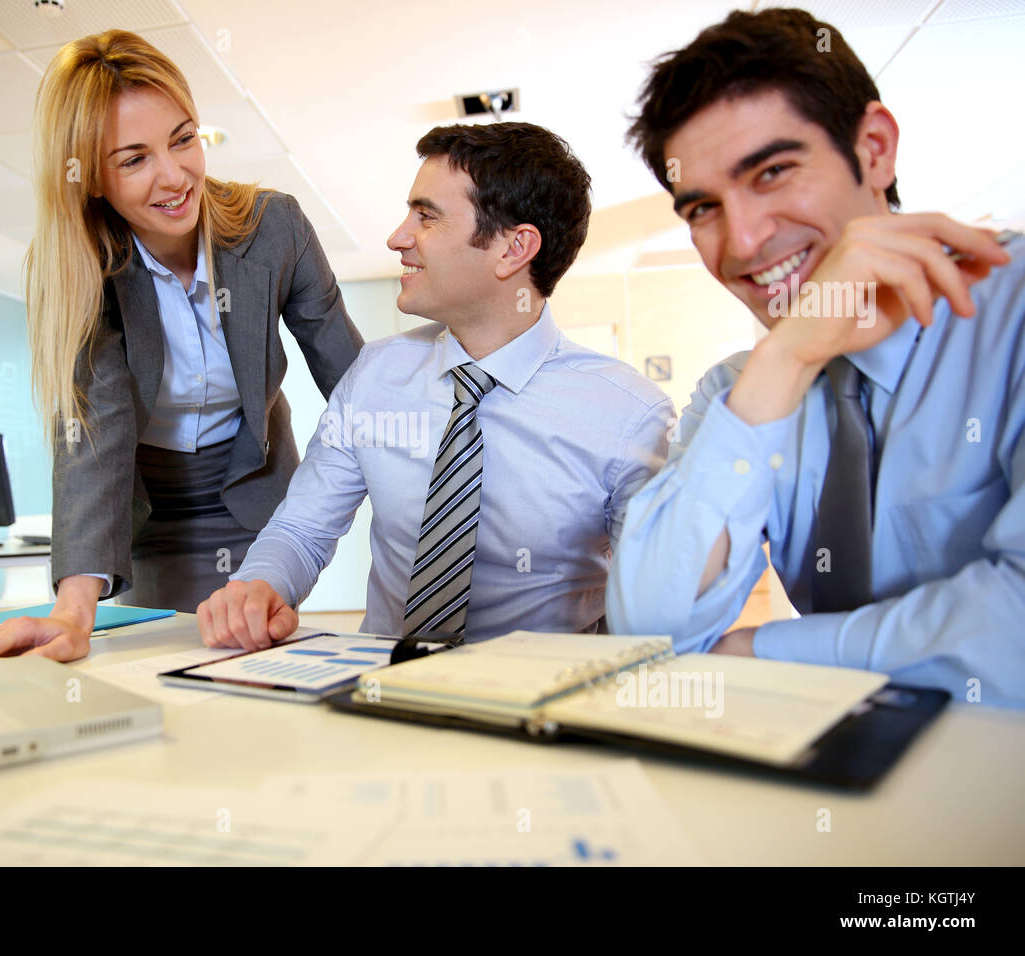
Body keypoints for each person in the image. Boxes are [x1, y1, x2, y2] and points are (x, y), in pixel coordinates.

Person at [607, 8, 1023, 707]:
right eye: (702, 208)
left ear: (875, 150)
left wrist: (761, 651)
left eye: (771, 172)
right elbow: (649, 634)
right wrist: (789, 355)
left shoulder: (1011, 312)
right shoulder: (741, 391)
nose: (741, 240)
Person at [0, 30, 362, 666]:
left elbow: (352, 381)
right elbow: (95, 434)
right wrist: (72, 611)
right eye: (134, 159)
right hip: (139, 509)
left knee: (245, 665)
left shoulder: (273, 229)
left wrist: (433, 495)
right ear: (89, 179)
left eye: (183, 139)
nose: (175, 177)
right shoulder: (80, 267)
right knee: (161, 674)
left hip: (252, 493)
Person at [196, 122, 674, 651]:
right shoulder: (375, 374)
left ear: (514, 248)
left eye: (426, 216)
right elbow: (302, 529)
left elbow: (656, 609)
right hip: (382, 693)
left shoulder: (629, 415)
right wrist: (259, 587)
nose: (398, 238)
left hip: (536, 706)